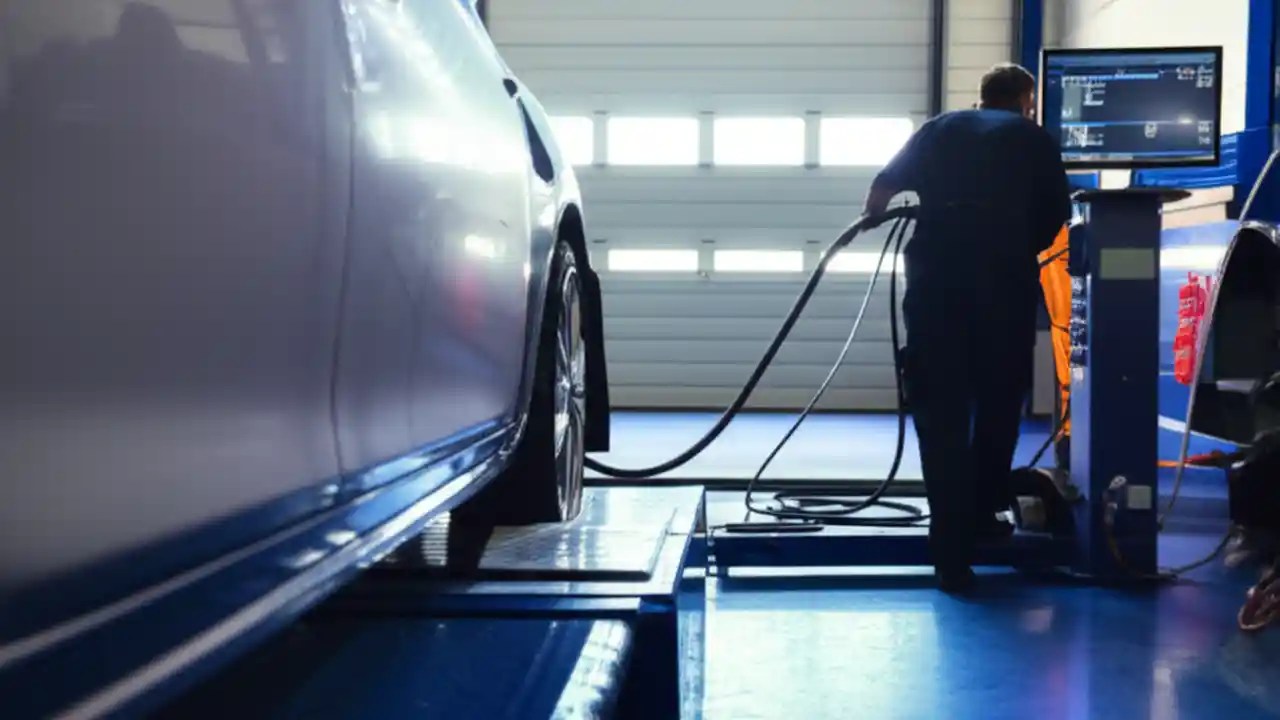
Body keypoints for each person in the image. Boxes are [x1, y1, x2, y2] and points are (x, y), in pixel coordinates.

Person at [862, 63, 1072, 593]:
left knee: (941, 412)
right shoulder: (1033, 136)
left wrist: (875, 218)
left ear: (981, 97)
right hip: (1002, 286)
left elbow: (882, 187)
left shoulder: (940, 127)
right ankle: (984, 516)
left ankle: (950, 556)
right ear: (1026, 98)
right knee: (999, 404)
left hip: (936, 283)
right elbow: (1055, 215)